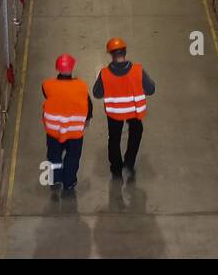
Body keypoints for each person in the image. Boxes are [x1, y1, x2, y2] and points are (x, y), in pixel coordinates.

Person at [93, 37, 155, 178]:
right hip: (134, 111)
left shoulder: (104, 74)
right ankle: (129, 161)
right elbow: (151, 89)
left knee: (114, 138)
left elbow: (97, 94)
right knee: (136, 132)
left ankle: (116, 167)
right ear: (125, 52)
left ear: (110, 54)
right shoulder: (138, 70)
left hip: (114, 113)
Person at [42, 53, 92, 192]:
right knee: (72, 158)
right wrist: (87, 119)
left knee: (54, 156)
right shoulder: (81, 86)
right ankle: (69, 181)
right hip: (74, 132)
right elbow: (89, 105)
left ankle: (55, 179)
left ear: (57, 68)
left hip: (54, 132)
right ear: (72, 67)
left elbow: (48, 96)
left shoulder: (47, 85)